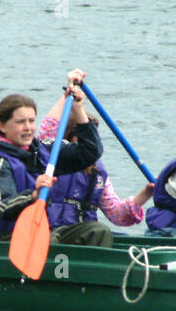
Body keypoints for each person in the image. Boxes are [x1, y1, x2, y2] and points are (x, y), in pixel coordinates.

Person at [0, 77, 111, 247]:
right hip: (3, 237)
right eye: (20, 122)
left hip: (41, 232)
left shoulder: (44, 150)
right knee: (48, 241)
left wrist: (78, 109)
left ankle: (81, 272)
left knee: (98, 232)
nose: (28, 127)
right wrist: (33, 194)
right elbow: (2, 207)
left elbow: (90, 152)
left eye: (31, 121)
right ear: (2, 126)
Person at [34, 92, 154, 231]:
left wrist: (146, 193)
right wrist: (67, 95)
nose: (91, 145)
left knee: (103, 232)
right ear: (68, 136)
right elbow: (47, 132)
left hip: (82, 234)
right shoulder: (50, 156)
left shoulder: (96, 173)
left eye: (93, 138)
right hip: (47, 230)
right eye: (85, 139)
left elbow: (117, 215)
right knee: (99, 231)